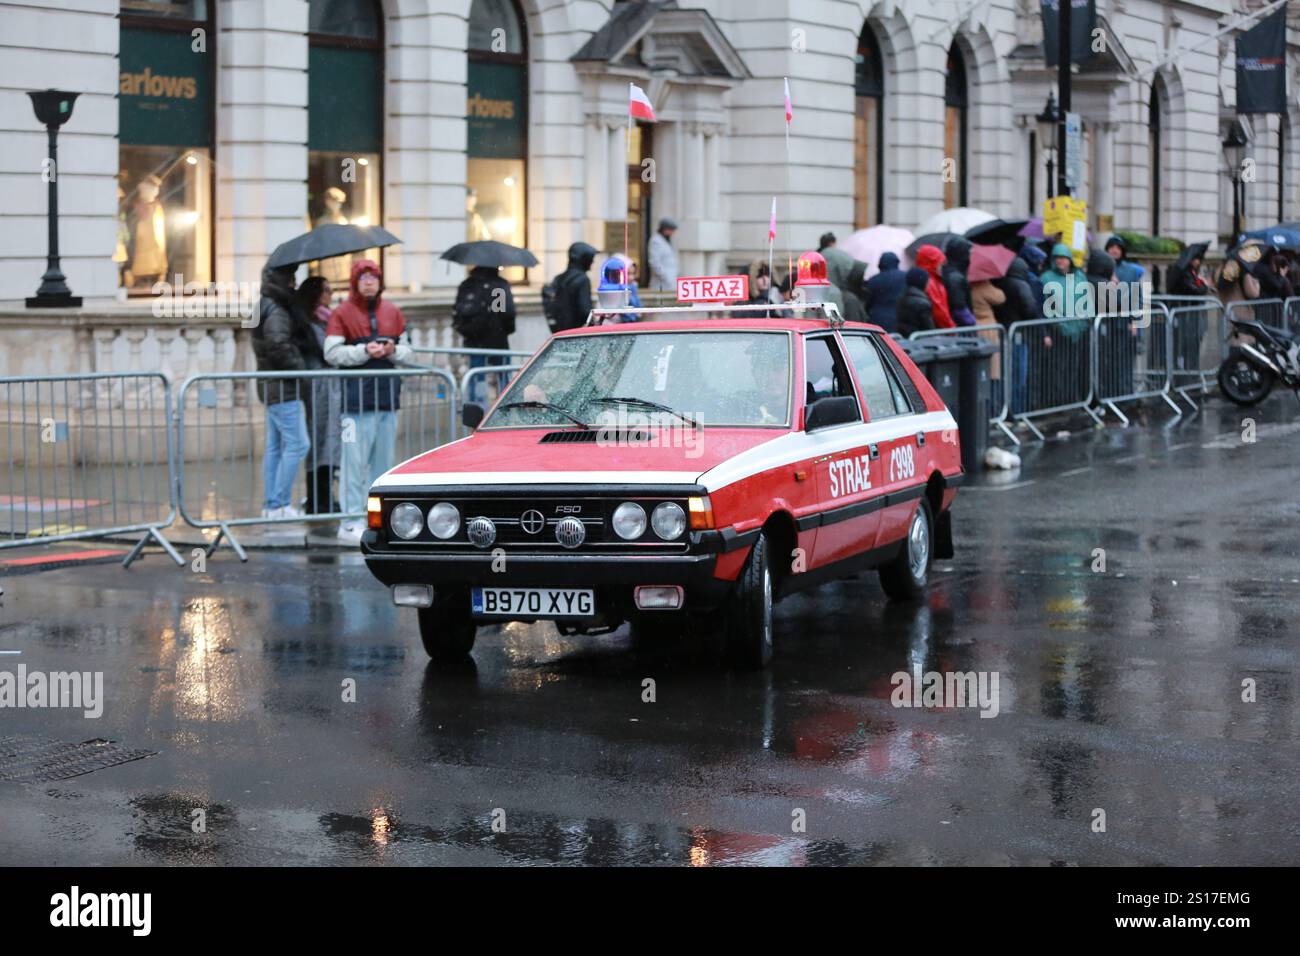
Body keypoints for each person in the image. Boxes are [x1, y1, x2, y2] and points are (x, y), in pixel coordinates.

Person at [324, 259, 414, 544]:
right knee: (353, 461)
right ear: (354, 281)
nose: (368, 282)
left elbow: (408, 351)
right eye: (363, 277)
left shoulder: (392, 312)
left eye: (373, 277)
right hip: (354, 401)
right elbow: (332, 353)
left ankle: (377, 516)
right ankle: (350, 518)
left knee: (383, 462)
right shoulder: (342, 313)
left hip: (386, 398)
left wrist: (391, 350)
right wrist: (364, 351)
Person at [252, 264, 314, 520]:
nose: (295, 286)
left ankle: (272, 504)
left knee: (276, 446)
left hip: (272, 385)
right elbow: (277, 345)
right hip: (282, 386)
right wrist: (301, 367)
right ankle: (279, 503)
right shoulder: (276, 309)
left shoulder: (263, 305)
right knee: (299, 444)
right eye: (292, 281)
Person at [295, 275, 341, 516]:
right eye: (326, 290)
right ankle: (318, 499)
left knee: (329, 440)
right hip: (319, 386)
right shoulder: (311, 322)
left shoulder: (326, 319)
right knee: (320, 440)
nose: (330, 295)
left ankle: (325, 497)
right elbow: (327, 351)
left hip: (328, 386)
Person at [452, 263, 517, 402]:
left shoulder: (467, 285)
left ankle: (476, 410)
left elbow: (457, 313)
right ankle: (503, 409)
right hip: (497, 339)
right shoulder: (498, 286)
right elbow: (506, 313)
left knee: (476, 377)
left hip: (474, 339)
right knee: (503, 376)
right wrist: (504, 329)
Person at [1039, 243, 1090, 407]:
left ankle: (1071, 398)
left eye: (1063, 258)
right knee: (1058, 367)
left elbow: (1086, 298)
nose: (1060, 261)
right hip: (1057, 329)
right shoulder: (1046, 278)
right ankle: (1058, 400)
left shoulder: (1079, 276)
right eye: (1057, 258)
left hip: (1079, 329)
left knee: (1073, 366)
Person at [544, 242, 596, 332]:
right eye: (590, 258)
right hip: (577, 332)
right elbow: (585, 311)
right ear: (584, 259)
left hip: (561, 332)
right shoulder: (582, 279)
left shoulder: (558, 278)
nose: (592, 262)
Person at [862, 251, 906, 331]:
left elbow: (868, 302)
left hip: (878, 318)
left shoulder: (874, 280)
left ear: (881, 264)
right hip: (901, 317)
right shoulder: (906, 277)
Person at [914, 244, 954, 328]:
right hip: (941, 331)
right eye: (939, 264)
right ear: (931, 263)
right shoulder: (931, 283)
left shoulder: (934, 280)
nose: (941, 267)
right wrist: (951, 329)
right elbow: (939, 312)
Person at [942, 236, 977, 326]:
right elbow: (958, 307)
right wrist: (972, 322)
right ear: (962, 254)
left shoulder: (952, 272)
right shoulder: (955, 277)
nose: (970, 256)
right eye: (968, 252)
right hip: (960, 329)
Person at [896, 267, 935, 337]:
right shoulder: (923, 303)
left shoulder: (902, 298)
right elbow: (929, 329)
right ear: (922, 282)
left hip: (906, 340)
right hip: (920, 341)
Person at [647, 218, 679, 291]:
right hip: (661, 283)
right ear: (665, 229)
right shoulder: (656, 241)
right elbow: (654, 262)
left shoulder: (667, 241)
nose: (672, 232)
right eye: (671, 230)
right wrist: (665, 276)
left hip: (670, 282)